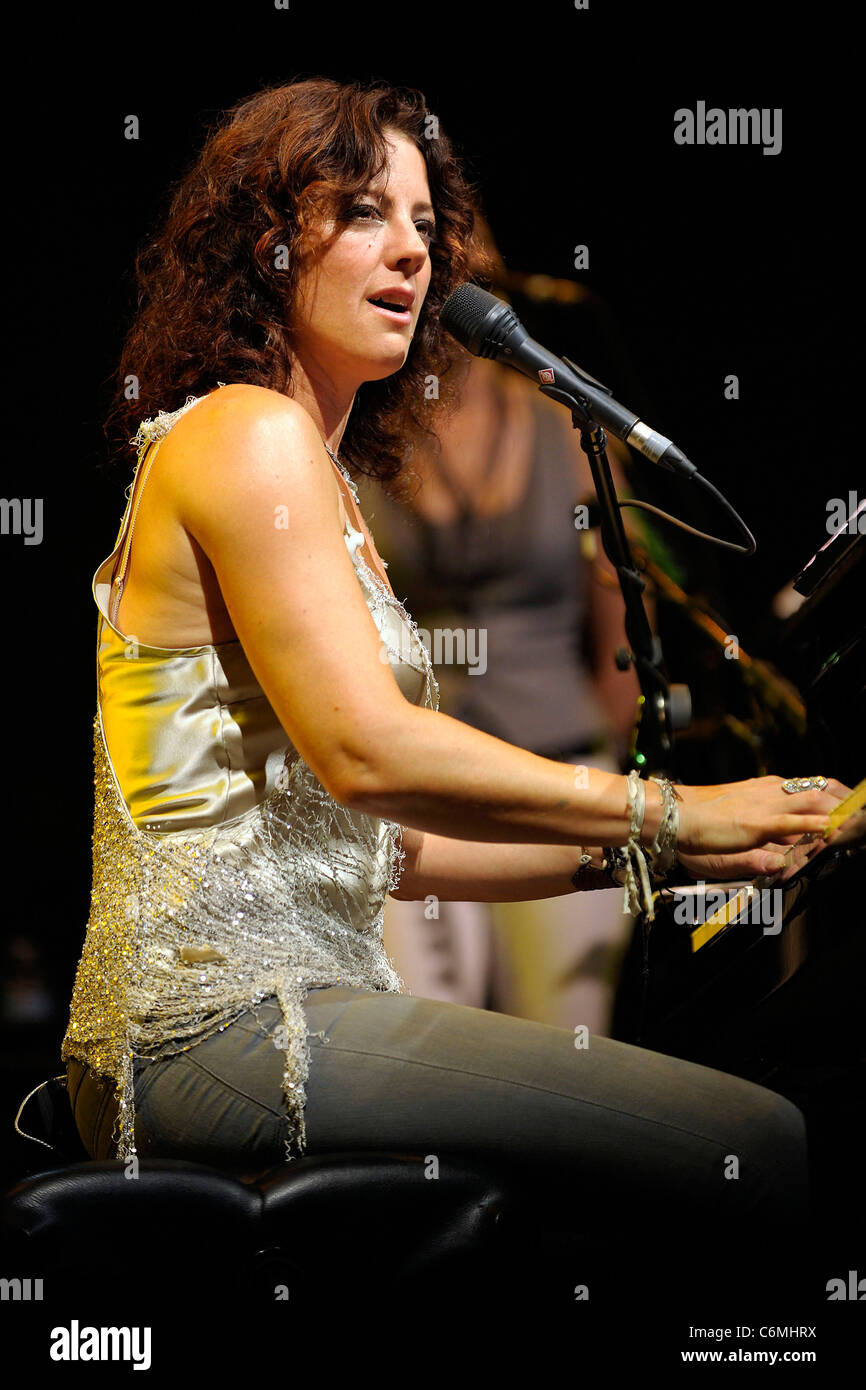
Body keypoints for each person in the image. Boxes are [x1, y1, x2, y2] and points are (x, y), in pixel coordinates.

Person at [54, 78, 845, 1306]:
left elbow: (391, 846)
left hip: (279, 1016)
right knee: (765, 1145)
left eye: (426, 220)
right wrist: (672, 813)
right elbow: (372, 753)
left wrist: (681, 861)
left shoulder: (311, 475)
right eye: (364, 210)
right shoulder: (243, 438)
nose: (414, 249)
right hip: (217, 1029)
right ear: (262, 241)